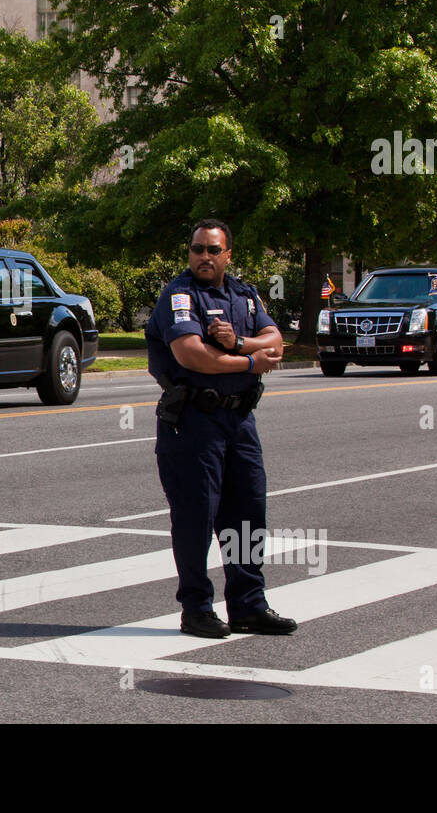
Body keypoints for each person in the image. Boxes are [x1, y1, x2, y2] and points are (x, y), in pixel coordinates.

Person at [144, 219, 297, 638]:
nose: (204, 257)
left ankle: (248, 605)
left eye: (213, 250)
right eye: (197, 249)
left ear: (228, 254)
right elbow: (192, 355)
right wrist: (249, 362)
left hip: (240, 420)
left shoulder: (244, 295)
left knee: (248, 512)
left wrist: (235, 345)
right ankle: (196, 607)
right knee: (196, 517)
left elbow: (277, 343)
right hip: (194, 421)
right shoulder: (179, 295)